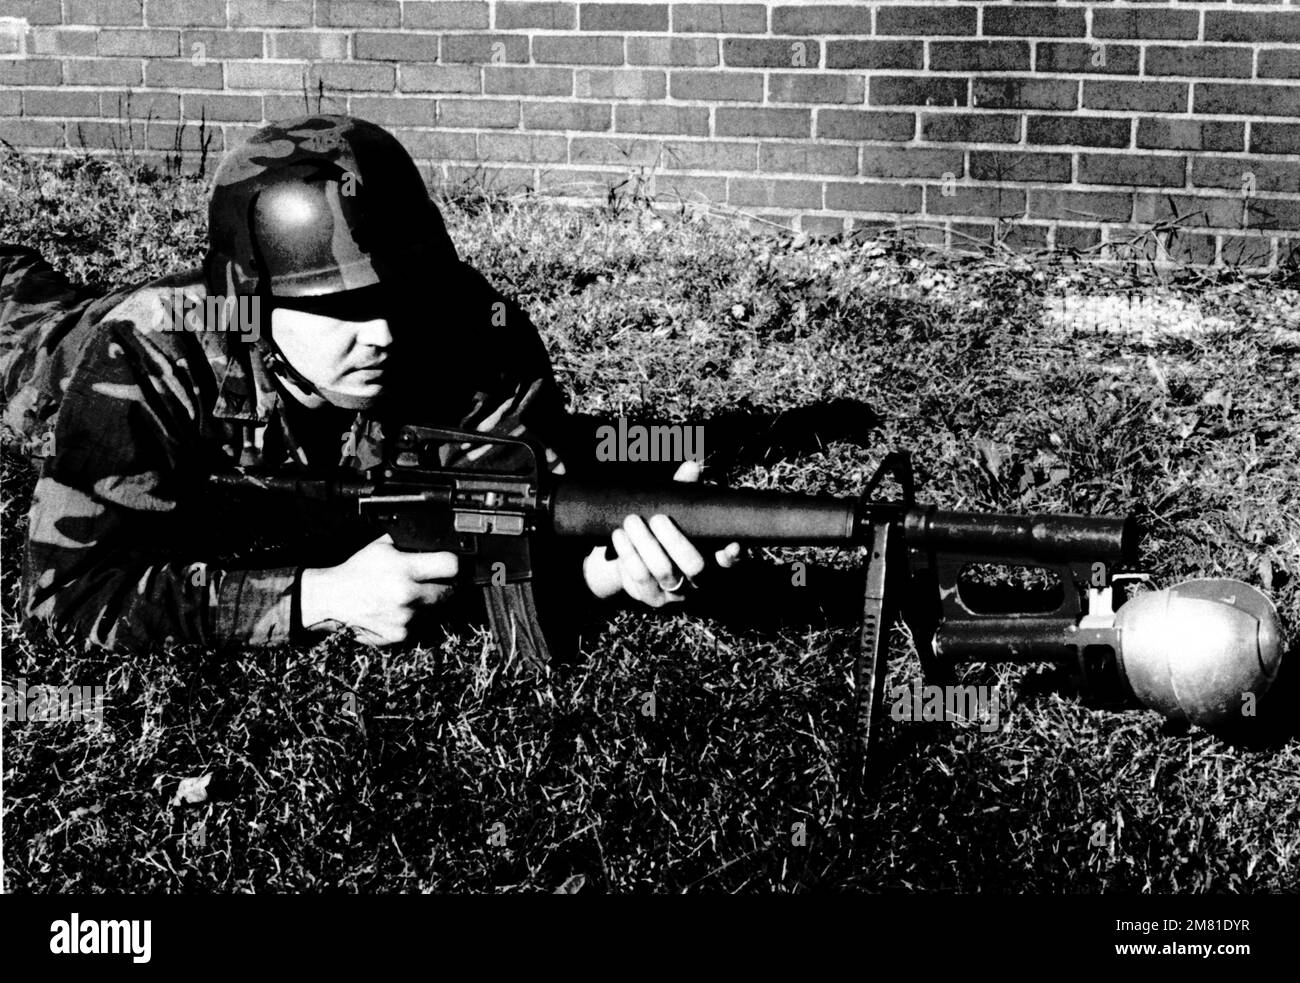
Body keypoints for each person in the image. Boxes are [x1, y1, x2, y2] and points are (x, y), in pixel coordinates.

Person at [2, 114, 740, 656]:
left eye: (399, 296)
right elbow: (71, 596)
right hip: (43, 349)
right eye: (340, 309)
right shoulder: (148, 352)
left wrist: (605, 576)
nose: (384, 334)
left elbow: (511, 506)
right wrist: (316, 599)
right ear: (253, 303)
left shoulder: (467, 328)